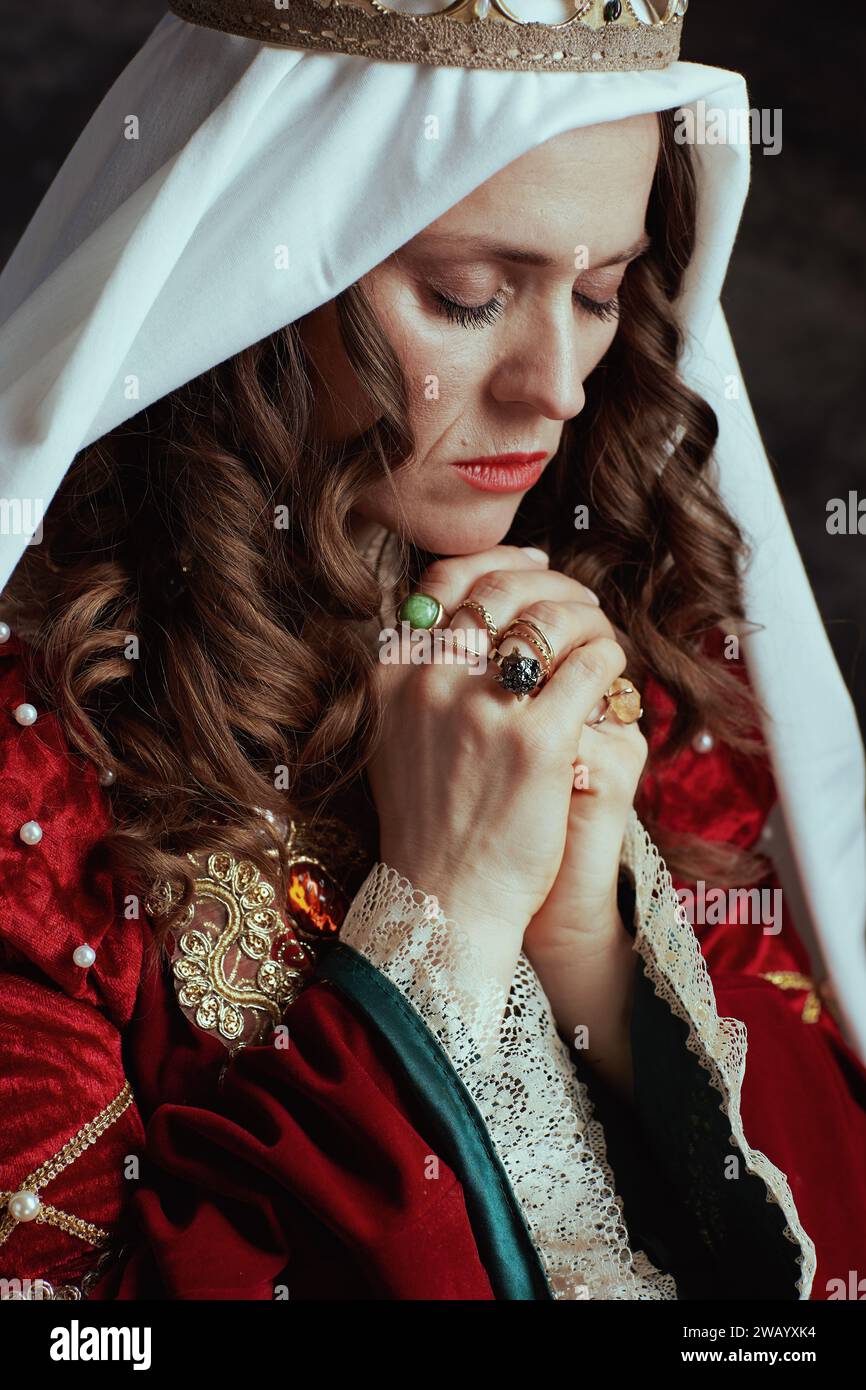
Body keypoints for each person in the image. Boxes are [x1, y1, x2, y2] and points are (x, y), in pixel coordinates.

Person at [0, 0, 864, 1302]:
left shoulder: (631, 628)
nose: (556, 385)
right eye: (469, 298)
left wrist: (596, 955)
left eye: (599, 294)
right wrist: (442, 919)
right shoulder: (39, 766)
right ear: (268, 255)